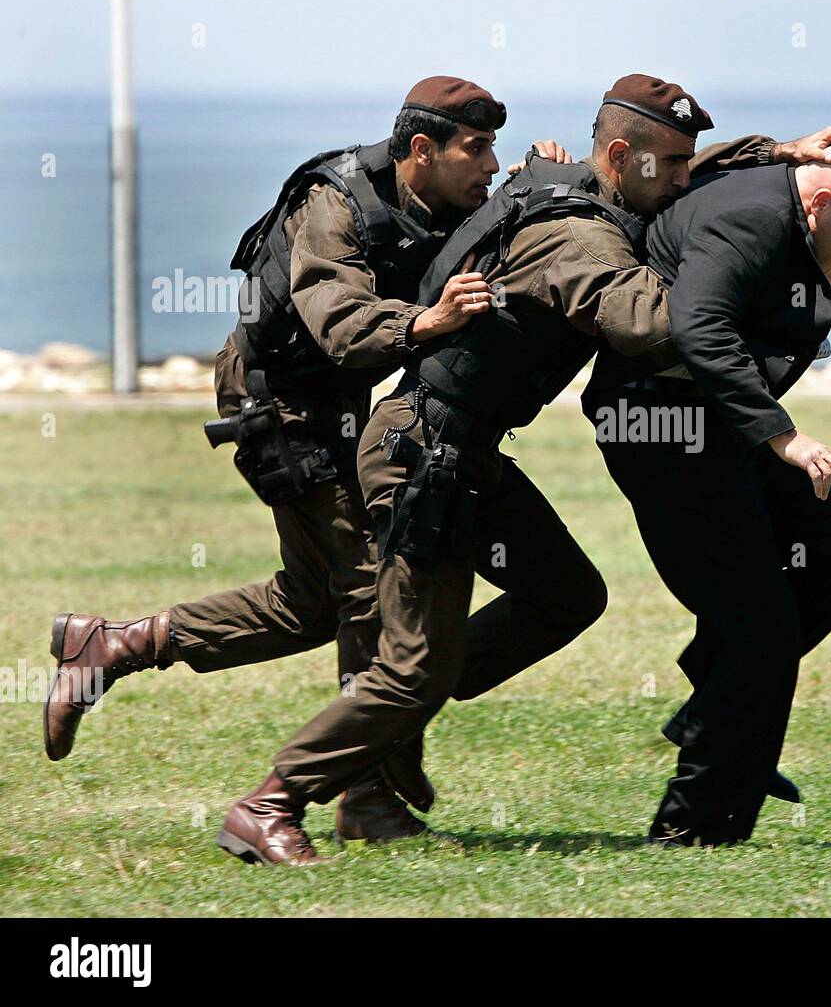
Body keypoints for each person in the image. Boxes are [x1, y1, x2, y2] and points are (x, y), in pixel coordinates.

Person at [216, 73, 831, 865]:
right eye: (667, 167)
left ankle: (395, 708)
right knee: (415, 668)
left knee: (566, 595)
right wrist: (732, 276)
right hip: (421, 452)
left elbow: (685, 176)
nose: (681, 181)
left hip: (470, 454)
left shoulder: (571, 183)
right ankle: (271, 803)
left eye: (687, 164)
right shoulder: (578, 237)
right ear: (621, 156)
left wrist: (775, 153)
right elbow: (655, 322)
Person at [44, 77, 542, 842]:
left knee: (320, 601)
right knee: (368, 593)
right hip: (277, 403)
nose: (489, 163)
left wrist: (534, 179)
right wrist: (428, 321)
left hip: (339, 404)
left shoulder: (444, 200)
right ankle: (333, 792)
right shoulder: (334, 204)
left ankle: (120, 644)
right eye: (477, 150)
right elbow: (339, 322)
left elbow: (523, 222)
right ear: (421, 151)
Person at [581, 143, 831, 846]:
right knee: (760, 628)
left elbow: (712, 158)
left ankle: (715, 705)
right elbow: (701, 324)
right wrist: (782, 436)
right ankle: (695, 829)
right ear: (821, 203)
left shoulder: (781, 195)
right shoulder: (753, 217)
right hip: (661, 426)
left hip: (712, 422)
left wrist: (787, 143)